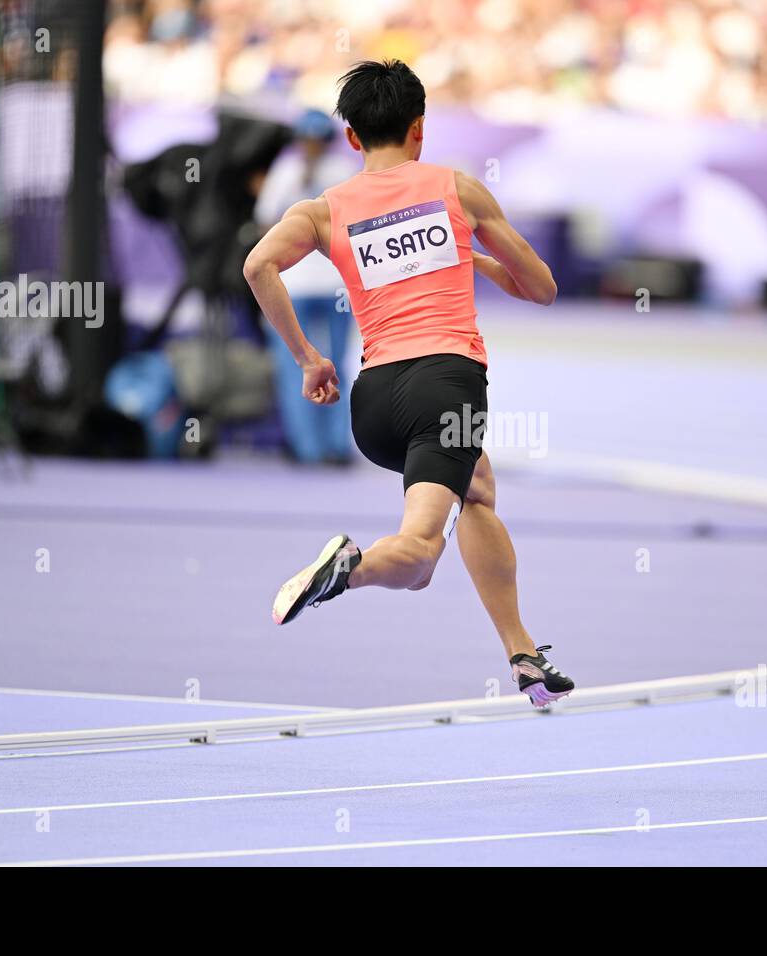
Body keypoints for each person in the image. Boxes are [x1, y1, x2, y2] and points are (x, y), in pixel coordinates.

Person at [242, 60, 574, 708]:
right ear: (419, 129)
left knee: (476, 485)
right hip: (446, 387)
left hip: (372, 404)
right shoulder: (457, 189)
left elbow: (257, 266)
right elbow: (543, 287)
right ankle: (349, 569)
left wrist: (309, 358)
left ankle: (522, 652)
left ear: (352, 139)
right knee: (419, 558)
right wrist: (473, 252)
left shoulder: (321, 210)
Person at [253, 109, 357, 465]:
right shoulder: (343, 173)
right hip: (335, 285)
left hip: (293, 283)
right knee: (338, 363)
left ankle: (307, 447)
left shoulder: (284, 172)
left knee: (297, 363)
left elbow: (265, 222)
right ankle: (337, 446)